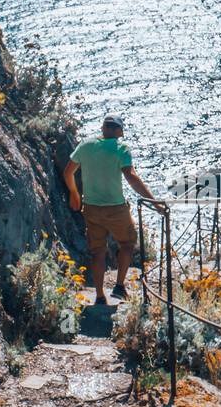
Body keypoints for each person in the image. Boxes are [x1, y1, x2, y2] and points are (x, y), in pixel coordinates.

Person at [63, 115, 163, 305]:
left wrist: (74, 194)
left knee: (97, 252)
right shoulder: (121, 148)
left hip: (91, 208)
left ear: (103, 128)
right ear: (119, 131)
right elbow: (131, 177)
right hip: (116, 208)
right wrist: (155, 202)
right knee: (127, 243)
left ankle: (100, 296)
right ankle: (118, 286)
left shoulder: (85, 146)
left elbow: (68, 172)